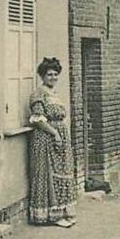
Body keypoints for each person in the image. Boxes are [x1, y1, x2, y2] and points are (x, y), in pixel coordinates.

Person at [27, 57, 76, 228]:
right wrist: (55, 133)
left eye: (56, 74)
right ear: (42, 76)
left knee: (60, 172)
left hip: (58, 137)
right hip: (45, 138)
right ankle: (50, 215)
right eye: (49, 75)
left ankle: (61, 212)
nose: (53, 77)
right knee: (48, 173)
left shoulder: (54, 93)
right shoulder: (38, 93)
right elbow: (38, 120)